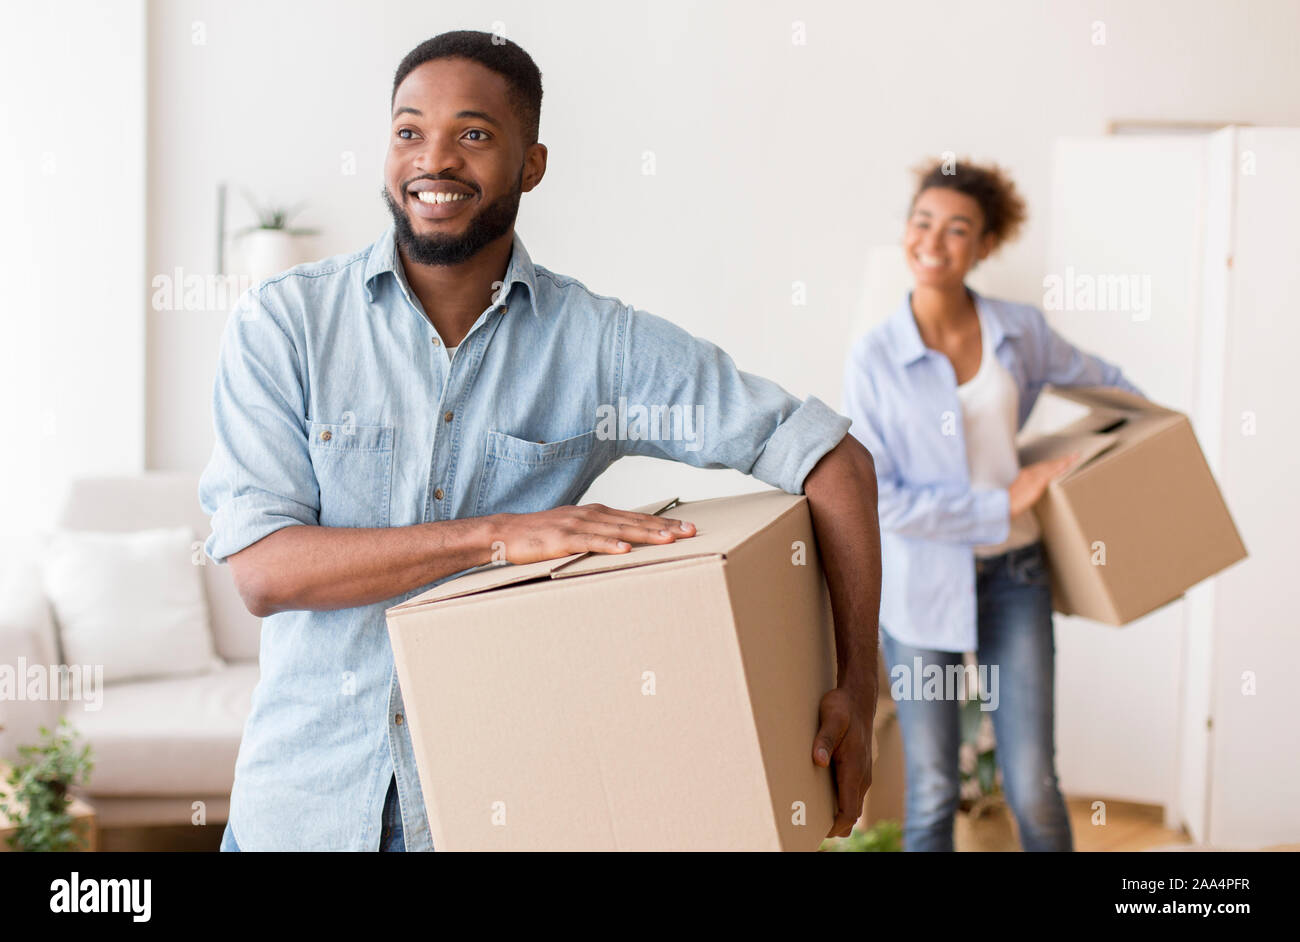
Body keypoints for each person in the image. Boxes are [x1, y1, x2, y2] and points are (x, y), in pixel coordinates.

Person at [203, 30, 882, 852]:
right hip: (298, 817)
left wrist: (855, 685)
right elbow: (266, 570)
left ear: (532, 164)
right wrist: (500, 536)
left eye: (474, 134)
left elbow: (834, 460)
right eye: (409, 130)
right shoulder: (287, 324)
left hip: (492, 816)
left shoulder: (600, 346)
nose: (435, 159)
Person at [842, 158, 1143, 851]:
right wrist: (1002, 500)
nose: (933, 242)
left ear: (983, 247)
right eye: (922, 223)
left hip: (1017, 575)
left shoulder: (1019, 330)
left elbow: (1112, 389)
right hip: (920, 586)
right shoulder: (874, 358)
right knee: (933, 790)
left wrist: (1123, 456)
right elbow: (883, 499)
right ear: (905, 231)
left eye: (957, 230)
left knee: (1033, 780)